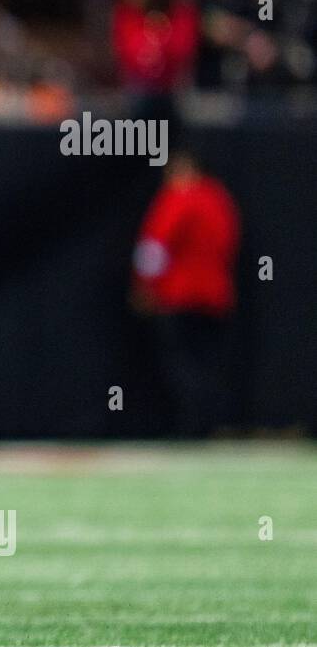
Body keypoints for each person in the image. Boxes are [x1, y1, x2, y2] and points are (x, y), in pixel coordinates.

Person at [132, 150, 241, 436]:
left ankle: (191, 426)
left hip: (179, 296)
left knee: (181, 364)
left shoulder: (178, 198)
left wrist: (144, 285)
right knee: (209, 363)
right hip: (216, 296)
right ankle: (211, 423)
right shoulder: (219, 198)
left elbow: (154, 248)